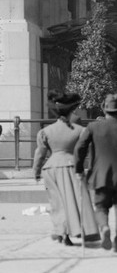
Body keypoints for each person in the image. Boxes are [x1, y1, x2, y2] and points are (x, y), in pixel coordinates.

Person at [75, 93, 117, 255]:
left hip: (100, 176)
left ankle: (104, 227)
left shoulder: (92, 128)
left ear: (104, 110)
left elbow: (80, 148)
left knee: (101, 207)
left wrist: (78, 170)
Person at [32, 92, 100, 246]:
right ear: (71, 111)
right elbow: (86, 151)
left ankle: (61, 232)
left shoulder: (46, 131)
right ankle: (77, 230)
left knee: (57, 202)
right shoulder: (79, 130)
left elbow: (40, 153)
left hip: (51, 168)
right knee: (74, 201)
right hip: (72, 166)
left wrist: (36, 171)